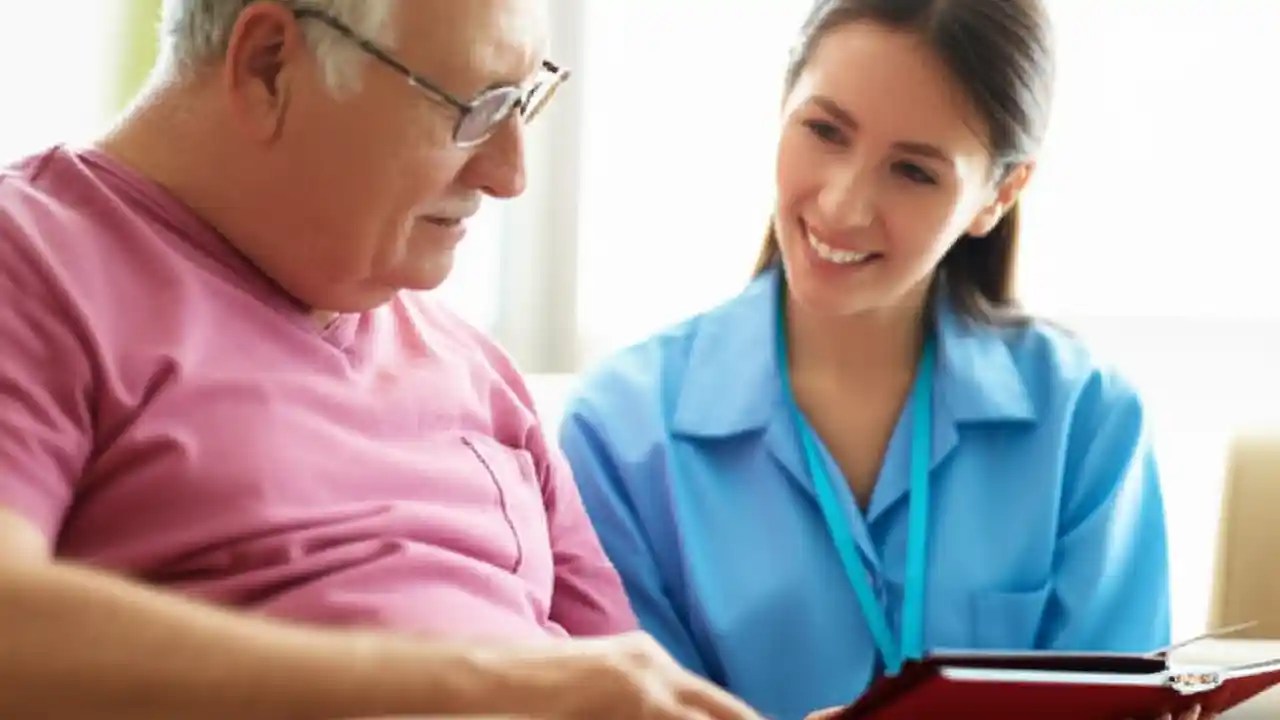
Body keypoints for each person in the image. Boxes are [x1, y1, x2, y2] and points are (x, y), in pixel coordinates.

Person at [0, 0, 763, 718]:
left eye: (522, 103)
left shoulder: (478, 373)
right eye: (475, 107)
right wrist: (483, 684)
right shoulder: (32, 258)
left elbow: (621, 688)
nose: (509, 175)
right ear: (268, 66)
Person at [558, 1, 1201, 719]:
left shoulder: (1086, 422)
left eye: (914, 172)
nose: (844, 205)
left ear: (1000, 193)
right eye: (824, 131)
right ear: (782, 106)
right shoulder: (618, 431)